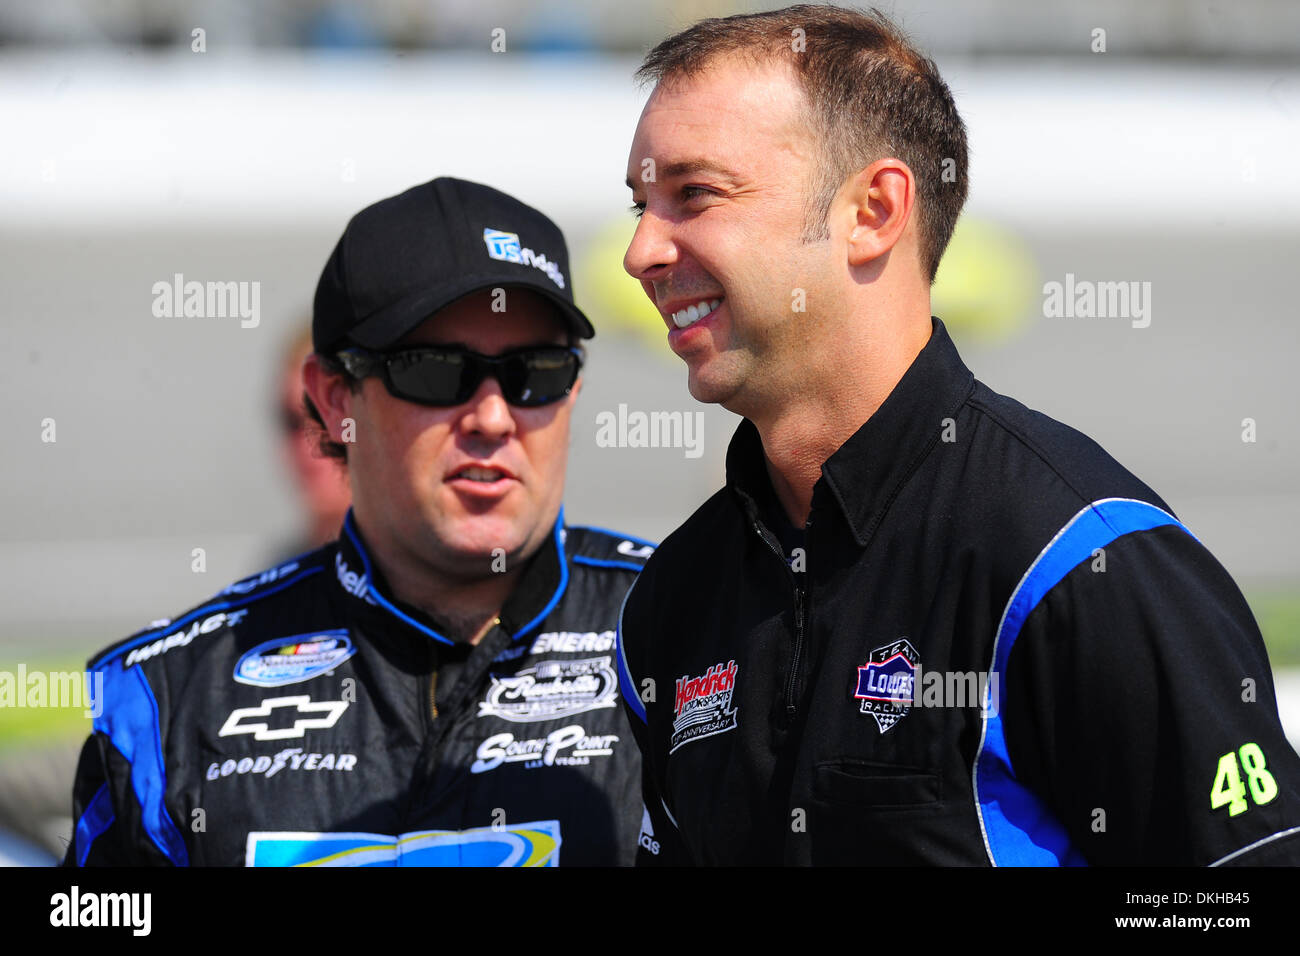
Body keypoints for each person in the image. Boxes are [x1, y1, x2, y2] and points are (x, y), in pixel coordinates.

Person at [615, 5, 1300, 865]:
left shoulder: (1077, 560)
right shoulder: (667, 602)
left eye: (694, 194)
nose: (640, 249)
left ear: (873, 210)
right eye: (642, 204)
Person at [65, 177, 652, 866]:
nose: (494, 418)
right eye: (438, 372)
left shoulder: (686, 633)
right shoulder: (168, 702)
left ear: (574, 390)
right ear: (334, 398)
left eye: (536, 372)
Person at [270, 324, 352, 558]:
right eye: (292, 422)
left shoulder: (430, 572)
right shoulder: (276, 573)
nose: (308, 445)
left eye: (323, 416)